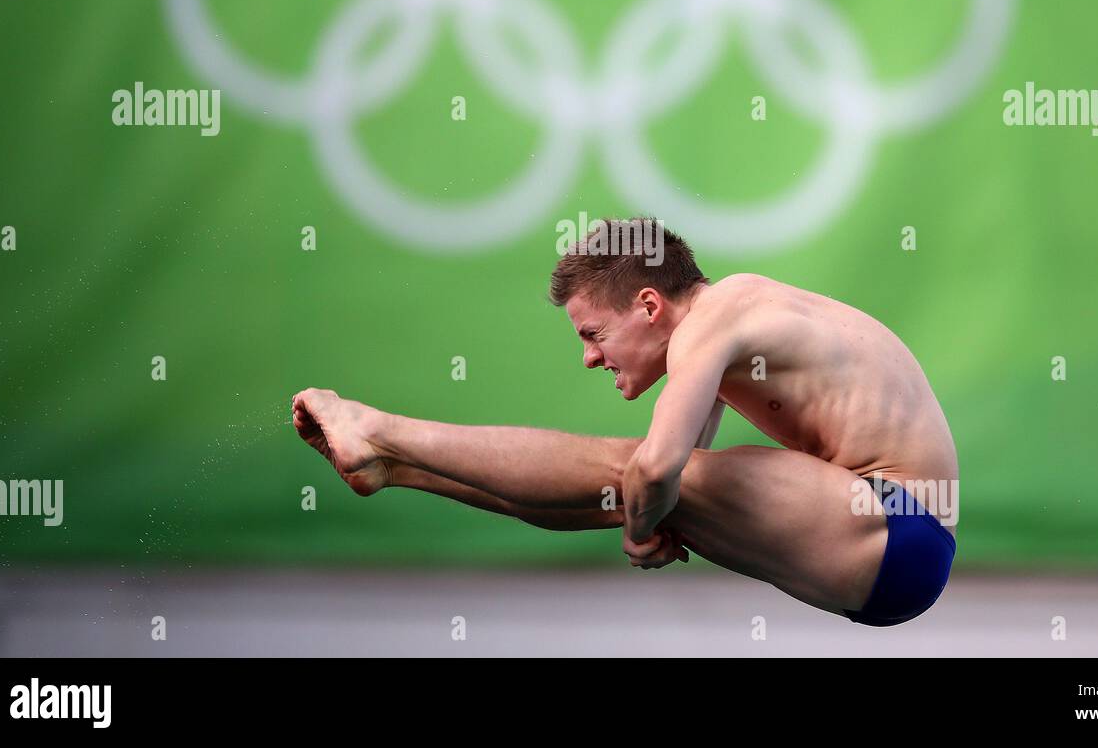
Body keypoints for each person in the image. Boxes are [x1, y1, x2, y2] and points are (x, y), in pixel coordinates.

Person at [292, 218, 958, 625]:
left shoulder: (711, 325)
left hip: (898, 525)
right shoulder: (735, 320)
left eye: (592, 333)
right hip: (893, 538)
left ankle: (380, 430)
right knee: (630, 485)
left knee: (629, 472)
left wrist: (641, 526)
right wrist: (649, 514)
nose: (589, 357)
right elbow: (670, 472)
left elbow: (658, 466)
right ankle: (396, 466)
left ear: (647, 304)